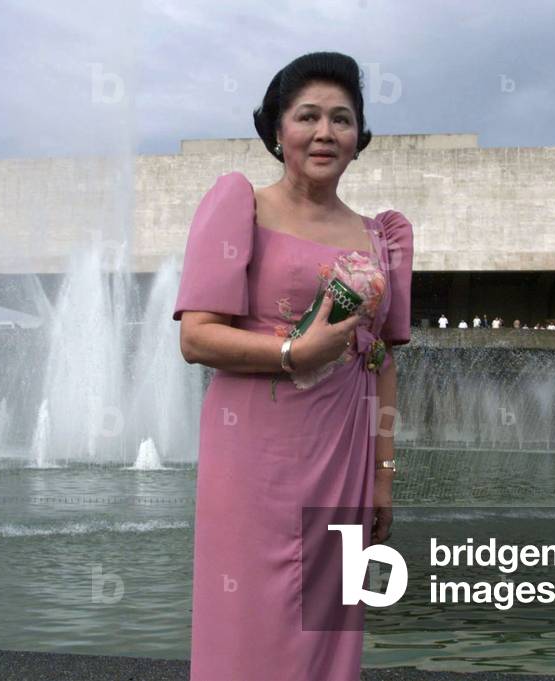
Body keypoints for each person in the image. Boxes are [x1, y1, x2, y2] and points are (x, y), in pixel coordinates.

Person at [172, 52, 413, 681]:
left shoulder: (381, 235)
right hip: (253, 454)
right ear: (277, 131)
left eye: (342, 119)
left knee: (328, 621)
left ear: (360, 138)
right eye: (307, 116)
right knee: (250, 617)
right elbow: (197, 338)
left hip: (343, 454)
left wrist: (384, 474)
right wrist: (292, 353)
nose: (325, 132)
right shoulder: (240, 204)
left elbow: (382, 358)